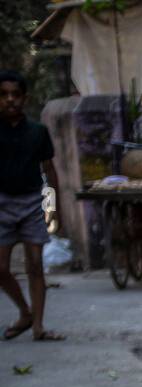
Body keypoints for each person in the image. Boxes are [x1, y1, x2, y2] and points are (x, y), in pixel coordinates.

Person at [0, 69, 63, 341]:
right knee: (1, 269)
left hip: (31, 203)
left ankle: (38, 326)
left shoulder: (38, 133)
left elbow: (49, 171)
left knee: (35, 265)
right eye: (3, 95)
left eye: (15, 94)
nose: (10, 100)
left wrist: (53, 206)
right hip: (2, 203)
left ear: (24, 98)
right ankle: (24, 312)